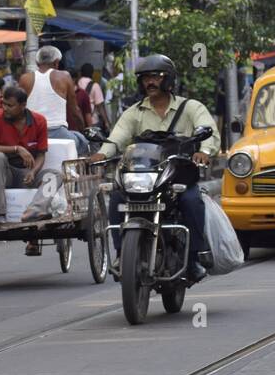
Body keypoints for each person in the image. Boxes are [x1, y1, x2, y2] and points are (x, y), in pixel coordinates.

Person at [89, 54, 220, 282]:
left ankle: (195, 257)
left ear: (168, 79)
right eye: (145, 78)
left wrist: (204, 152)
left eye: (156, 77)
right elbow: (117, 138)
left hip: (178, 176)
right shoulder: (134, 112)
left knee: (191, 200)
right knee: (118, 198)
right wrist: (101, 154)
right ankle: (122, 253)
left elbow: (209, 131)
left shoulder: (191, 108)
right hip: (144, 177)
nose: (150, 82)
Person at [0, 85, 49, 221]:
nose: (5, 108)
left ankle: (36, 210)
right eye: (3, 104)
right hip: (3, 173)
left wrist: (33, 172)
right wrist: (16, 149)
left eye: (10, 105)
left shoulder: (39, 121)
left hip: (26, 174)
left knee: (55, 175)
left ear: (23, 105)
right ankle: (0, 213)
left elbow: (41, 154)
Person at [19, 45, 88, 156]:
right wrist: (84, 131)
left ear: (37, 63)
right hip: (59, 132)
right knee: (84, 144)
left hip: (33, 133)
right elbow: (75, 111)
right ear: (56, 62)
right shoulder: (64, 76)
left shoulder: (25, 79)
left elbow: (19, 110)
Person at [76, 62, 109, 134]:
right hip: (92, 120)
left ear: (81, 73)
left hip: (78, 121)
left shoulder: (76, 84)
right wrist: (106, 122)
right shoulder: (95, 86)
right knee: (94, 144)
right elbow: (100, 106)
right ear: (92, 73)